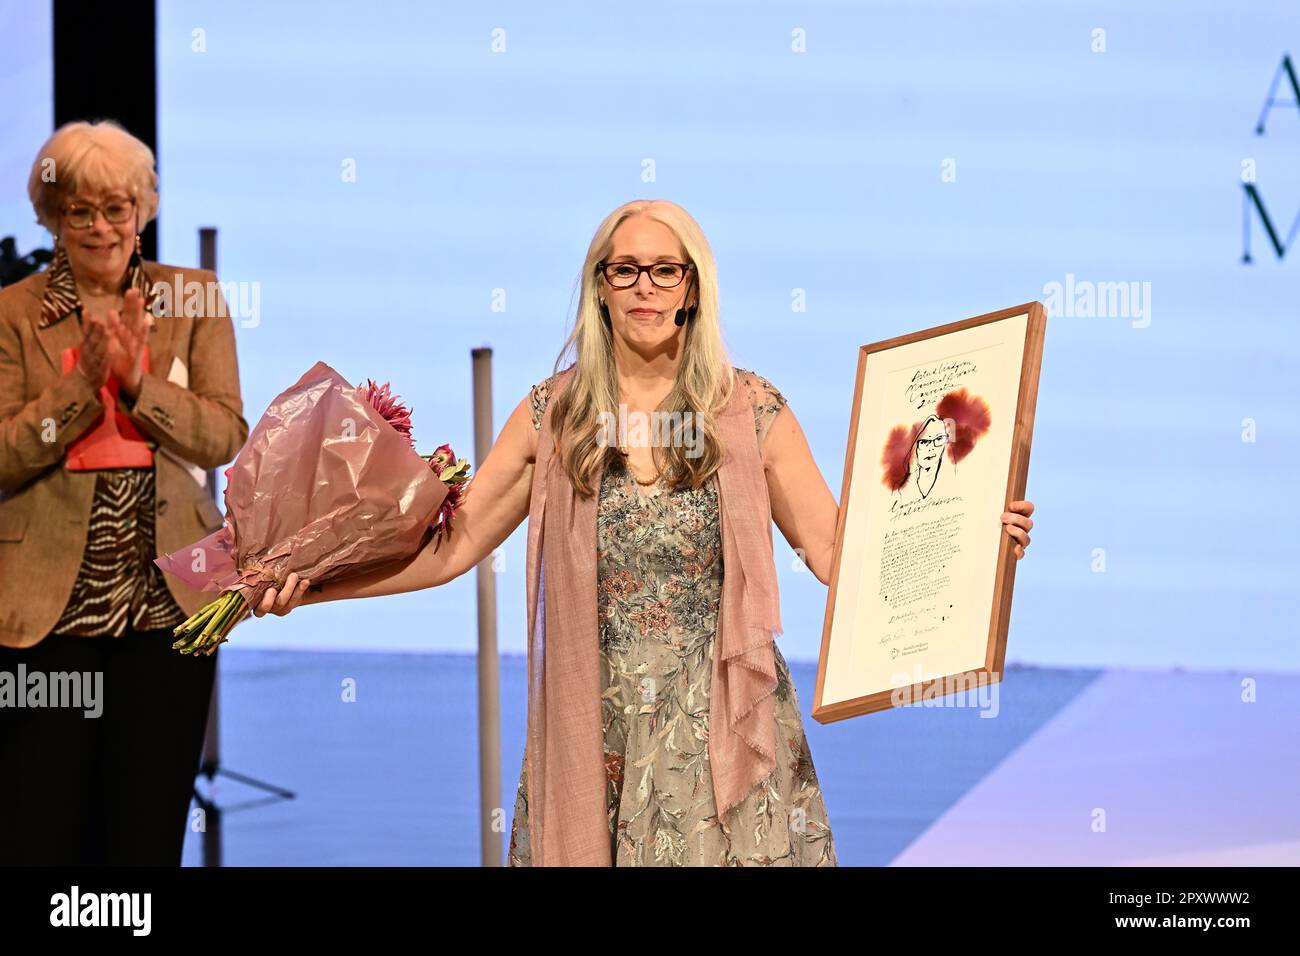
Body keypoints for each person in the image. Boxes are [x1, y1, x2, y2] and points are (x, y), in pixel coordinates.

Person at [257, 199, 1036, 866]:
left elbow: (835, 551)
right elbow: (452, 548)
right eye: (623, 269)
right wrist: (317, 583)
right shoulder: (552, 415)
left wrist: (973, 541)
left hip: (725, 726)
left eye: (666, 270)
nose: (645, 287)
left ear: (693, 288)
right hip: (593, 728)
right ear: (599, 288)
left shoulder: (750, 409)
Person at [0, 120, 249, 865]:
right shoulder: (11, 313)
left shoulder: (194, 299)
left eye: (118, 208)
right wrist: (81, 387)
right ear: (51, 216)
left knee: (142, 837)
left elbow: (223, 436)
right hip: (44, 621)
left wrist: (139, 384)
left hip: (166, 617)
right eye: (80, 210)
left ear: (143, 211)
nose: (101, 227)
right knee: (37, 833)